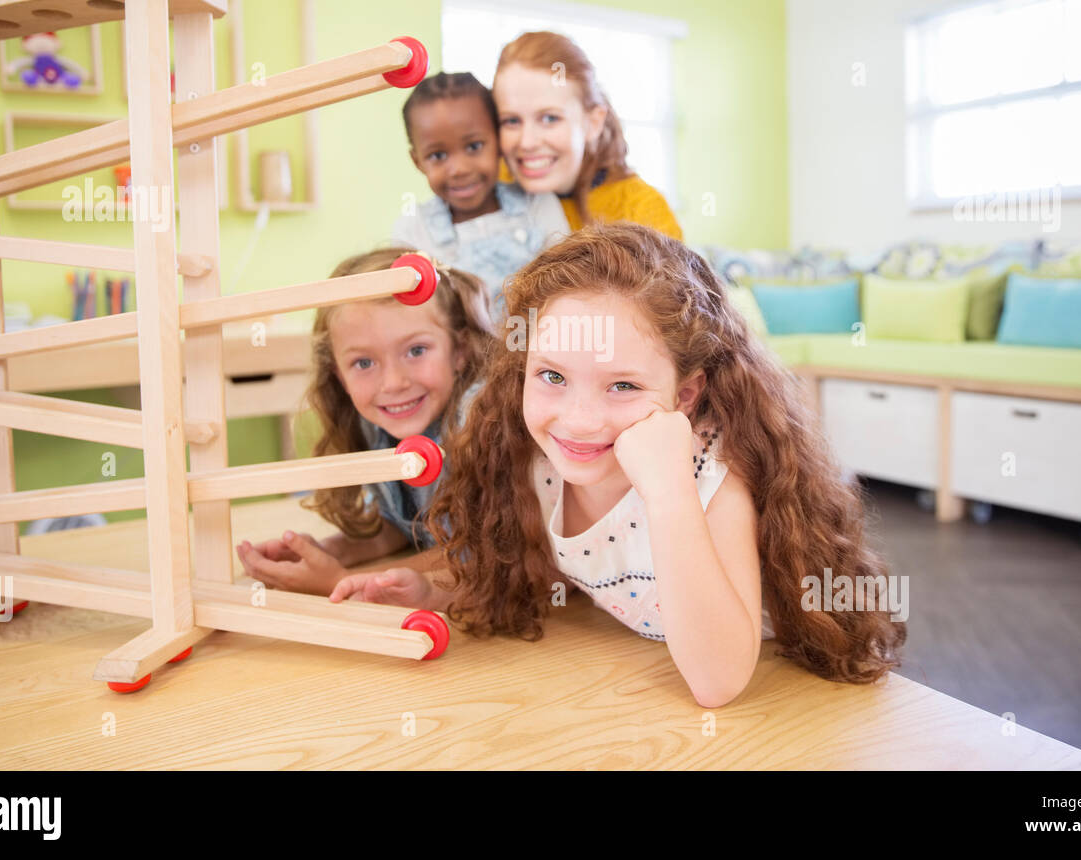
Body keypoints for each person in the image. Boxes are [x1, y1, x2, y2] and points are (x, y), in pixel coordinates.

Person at [330, 225, 905, 707]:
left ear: (684, 395)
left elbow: (718, 682)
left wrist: (670, 492)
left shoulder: (712, 484)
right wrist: (435, 591)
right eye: (551, 376)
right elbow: (536, 569)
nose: (579, 420)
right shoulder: (533, 456)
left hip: (780, 706)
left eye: (623, 385)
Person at [235, 248, 493, 596]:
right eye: (363, 363)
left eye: (416, 351)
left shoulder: (476, 421)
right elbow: (402, 527)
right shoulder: (377, 423)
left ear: (459, 351)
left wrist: (341, 581)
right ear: (339, 375)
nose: (393, 383)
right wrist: (329, 552)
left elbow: (475, 554)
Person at [392, 71, 569, 319]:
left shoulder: (537, 204)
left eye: (474, 147)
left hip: (540, 349)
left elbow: (569, 285)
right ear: (417, 161)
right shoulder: (412, 230)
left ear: (498, 141)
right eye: (438, 156)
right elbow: (410, 315)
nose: (459, 169)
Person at [492, 31, 682, 239]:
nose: (527, 142)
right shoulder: (488, 189)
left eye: (550, 119)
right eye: (511, 121)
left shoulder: (641, 211)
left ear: (593, 123)